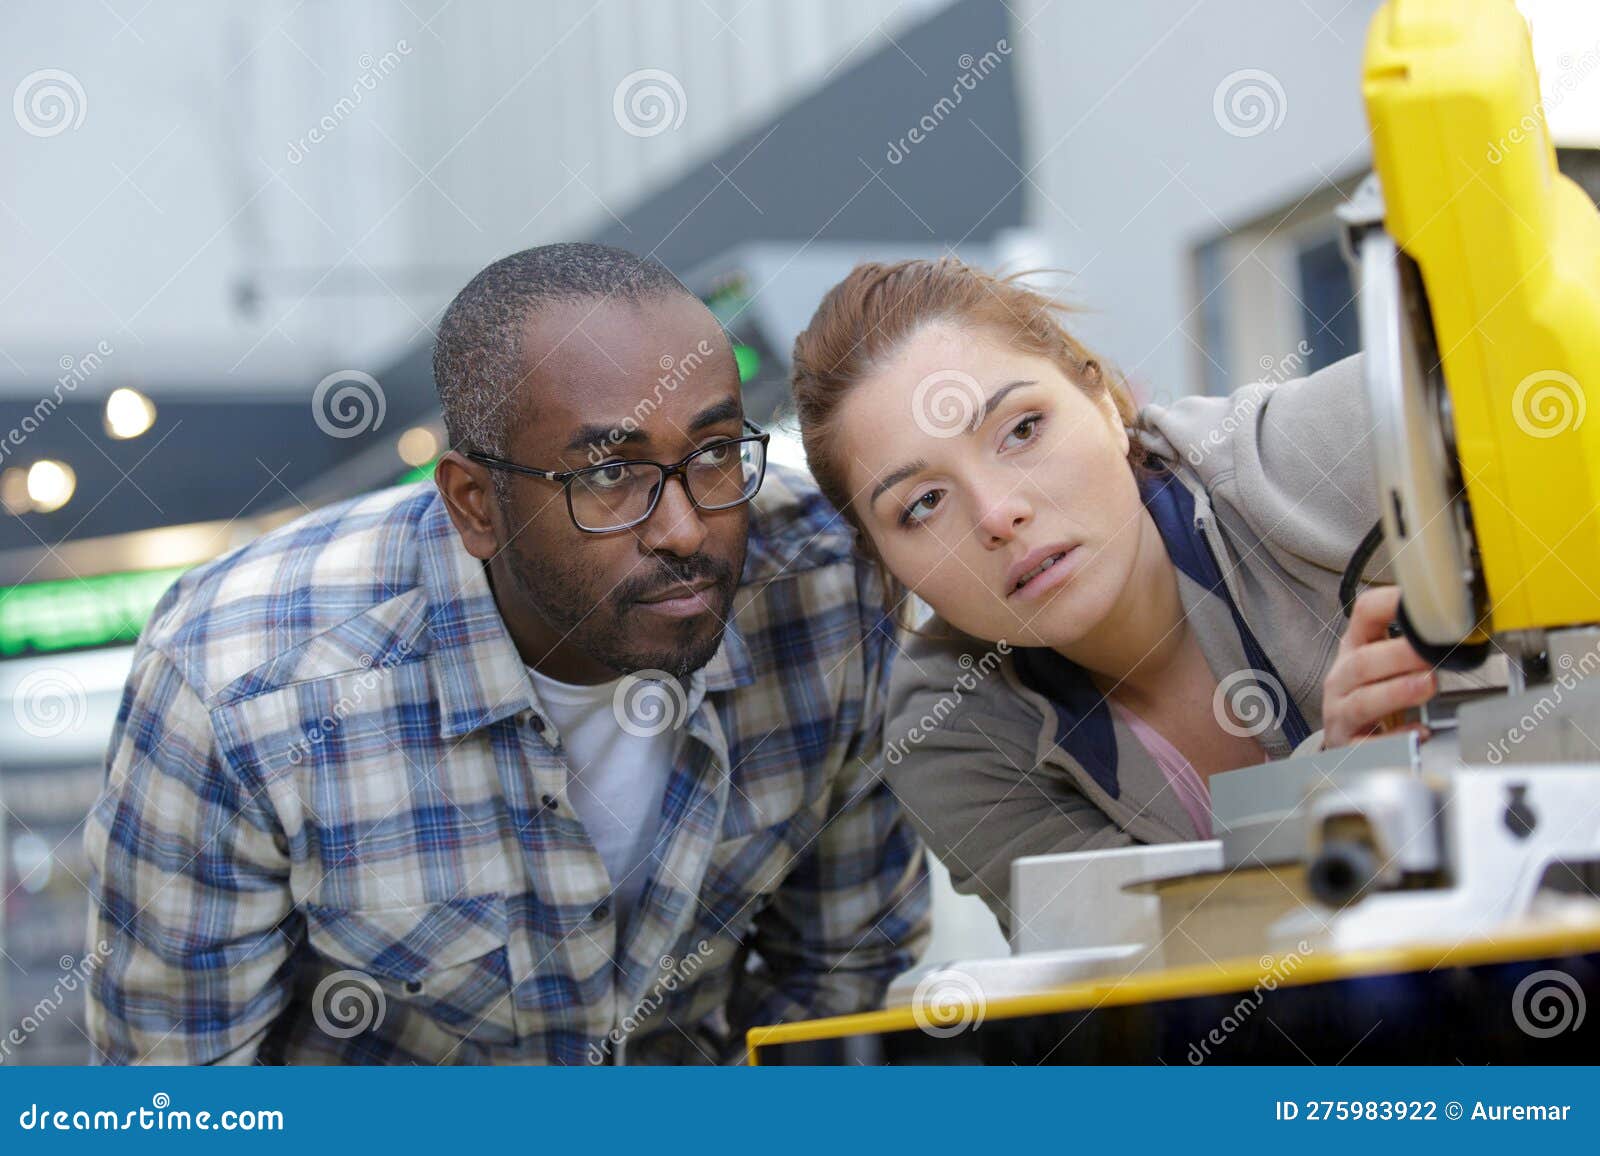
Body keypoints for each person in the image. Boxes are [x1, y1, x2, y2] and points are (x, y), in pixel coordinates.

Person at [84, 242, 929, 1064]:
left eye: (712, 455)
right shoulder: (239, 685)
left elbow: (836, 984)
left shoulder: (828, 595)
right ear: (474, 504)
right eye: (608, 475)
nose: (684, 529)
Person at [789, 256, 1437, 932]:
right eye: (922, 504)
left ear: (1103, 400)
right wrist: (1318, 798)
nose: (996, 514)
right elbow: (1145, 981)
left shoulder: (1311, 454)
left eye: (1021, 429)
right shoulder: (953, 731)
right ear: (884, 558)